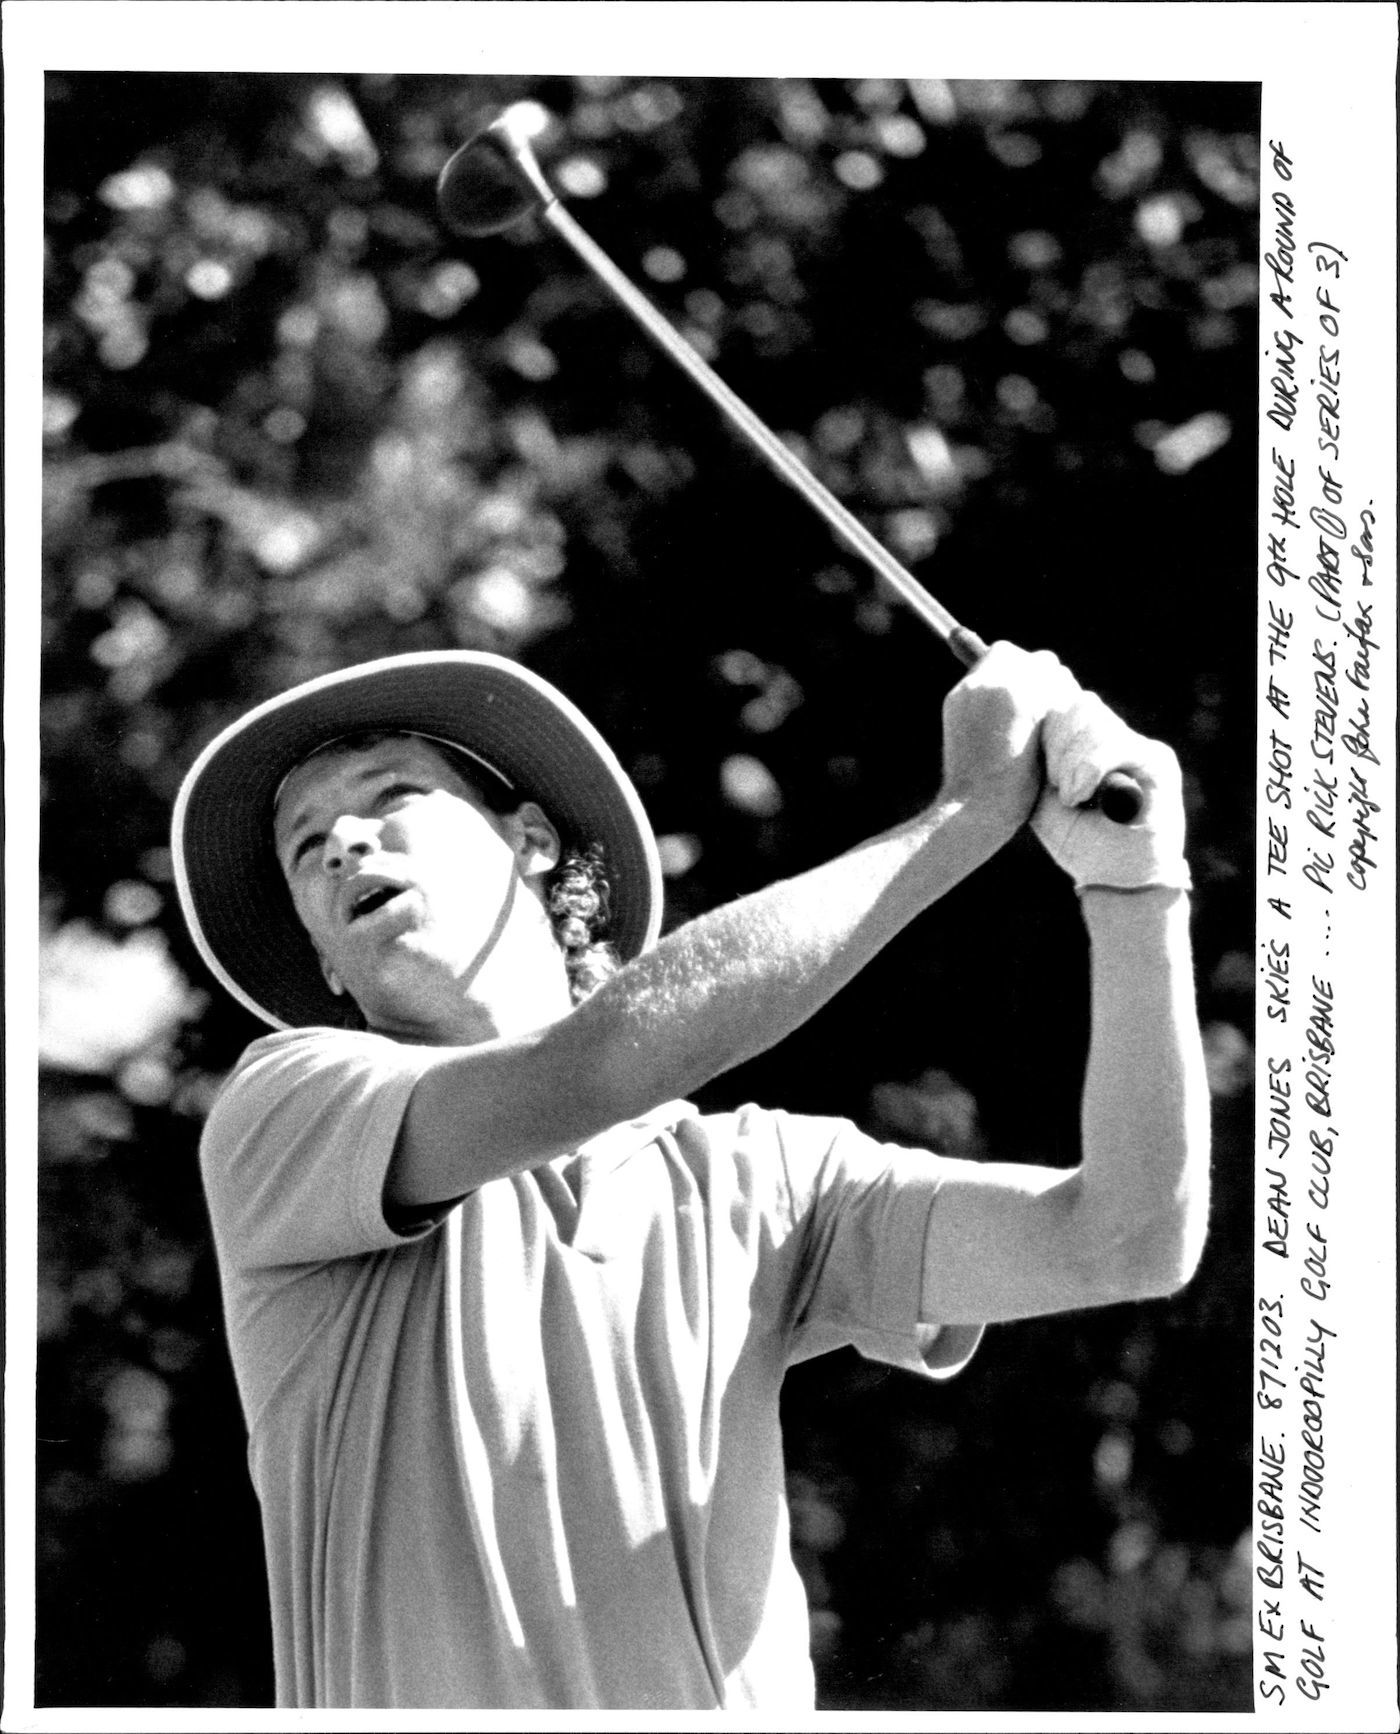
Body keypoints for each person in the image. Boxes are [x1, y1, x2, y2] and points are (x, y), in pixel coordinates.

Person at [171, 642, 1209, 1711]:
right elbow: (603, 1064)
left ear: (530, 841)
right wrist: (962, 818)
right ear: (328, 967)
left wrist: (1135, 894)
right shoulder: (285, 1109)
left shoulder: (763, 1176)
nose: (344, 842)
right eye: (305, 848)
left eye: (390, 796)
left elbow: (1126, 1240)